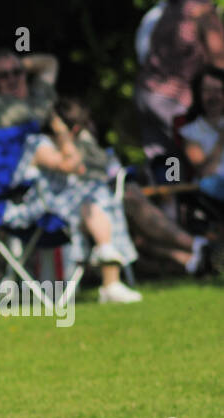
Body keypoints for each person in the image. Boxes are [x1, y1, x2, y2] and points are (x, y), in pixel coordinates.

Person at [0, 109, 142, 304]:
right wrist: (65, 136)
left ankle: (107, 259)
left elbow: (86, 168)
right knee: (97, 201)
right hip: (38, 209)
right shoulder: (39, 144)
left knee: (98, 199)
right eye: (72, 127)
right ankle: (110, 280)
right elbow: (71, 166)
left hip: (68, 208)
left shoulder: (62, 145)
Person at [56, 97, 212, 274]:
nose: (91, 126)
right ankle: (198, 247)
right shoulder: (65, 147)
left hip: (106, 209)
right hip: (83, 211)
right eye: (86, 123)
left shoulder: (87, 146)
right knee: (132, 199)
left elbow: (110, 170)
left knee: (139, 232)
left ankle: (192, 259)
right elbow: (86, 172)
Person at [135, 0, 224, 169]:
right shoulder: (201, 11)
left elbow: (143, 52)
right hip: (172, 101)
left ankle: (169, 190)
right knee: (191, 157)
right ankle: (185, 192)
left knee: (165, 157)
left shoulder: (167, 10)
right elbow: (219, 58)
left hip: (145, 91)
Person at [179, 66, 224, 199]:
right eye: (207, 91)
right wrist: (221, 141)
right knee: (208, 183)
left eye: (218, 90)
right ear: (198, 94)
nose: (214, 96)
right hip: (213, 190)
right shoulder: (190, 132)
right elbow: (205, 173)